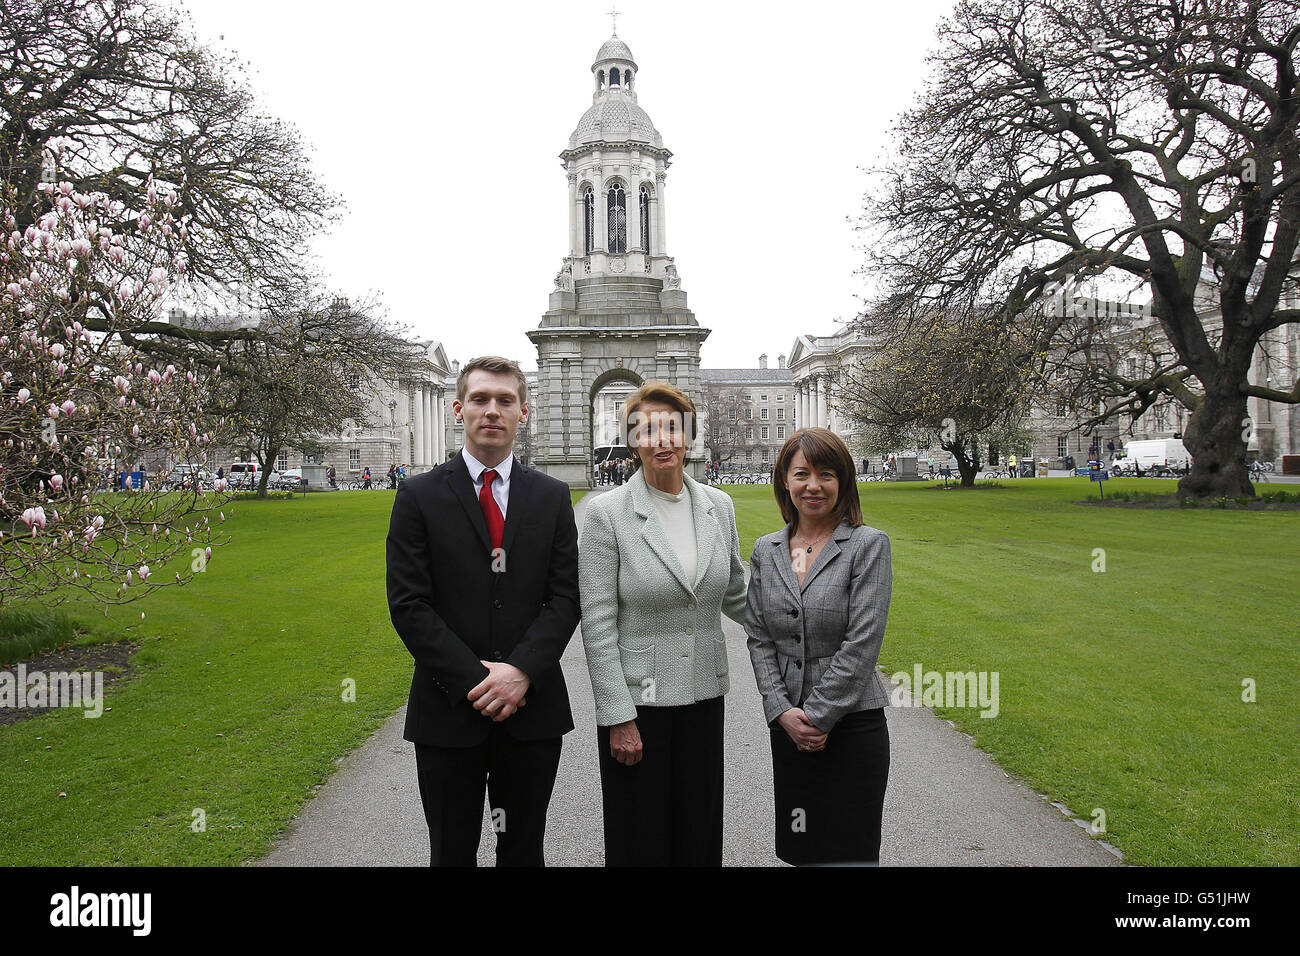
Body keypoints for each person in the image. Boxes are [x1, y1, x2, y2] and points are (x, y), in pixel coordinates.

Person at [386, 355, 580, 866]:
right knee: (451, 852)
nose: (492, 410)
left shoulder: (552, 496)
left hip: (531, 708)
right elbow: (409, 605)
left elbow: (565, 599)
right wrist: (478, 680)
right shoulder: (418, 496)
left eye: (505, 400)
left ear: (523, 412)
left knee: (523, 850)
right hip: (449, 709)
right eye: (480, 399)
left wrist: (519, 672)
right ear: (458, 409)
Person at [580, 381, 748, 866]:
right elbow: (597, 622)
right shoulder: (606, 514)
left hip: (703, 694)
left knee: (698, 833)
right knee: (640, 840)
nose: (662, 439)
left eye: (672, 427)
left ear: (689, 434)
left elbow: (736, 594)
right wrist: (617, 716)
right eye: (648, 429)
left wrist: (804, 616)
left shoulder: (720, 506)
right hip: (639, 705)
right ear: (633, 441)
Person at [744, 426, 892, 866]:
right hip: (789, 726)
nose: (813, 485)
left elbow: (862, 642)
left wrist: (819, 717)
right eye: (802, 473)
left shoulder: (867, 545)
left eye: (826, 474)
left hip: (852, 725)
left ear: (843, 481)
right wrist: (780, 710)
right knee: (801, 848)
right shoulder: (766, 549)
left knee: (849, 854)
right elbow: (758, 635)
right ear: (784, 481)